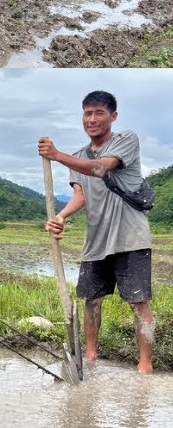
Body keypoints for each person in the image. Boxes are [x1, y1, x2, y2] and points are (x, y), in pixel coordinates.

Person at [41, 90, 155, 374]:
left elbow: (102, 169)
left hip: (130, 238)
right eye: (87, 113)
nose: (92, 119)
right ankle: (90, 357)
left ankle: (145, 367)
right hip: (95, 241)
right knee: (91, 301)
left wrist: (57, 155)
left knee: (138, 303)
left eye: (99, 113)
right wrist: (61, 217)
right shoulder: (78, 157)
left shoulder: (125, 140)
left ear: (112, 116)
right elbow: (81, 196)